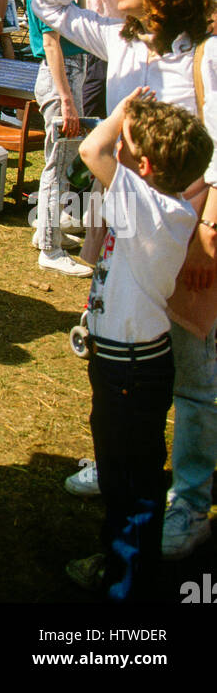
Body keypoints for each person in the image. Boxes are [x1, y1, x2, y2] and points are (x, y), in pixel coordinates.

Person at [32, 0, 217, 557]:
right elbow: (47, 5)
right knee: (120, 337)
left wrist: (206, 239)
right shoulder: (120, 39)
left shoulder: (206, 56)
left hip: (187, 227)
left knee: (195, 368)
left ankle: (189, 502)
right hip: (121, 219)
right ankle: (116, 462)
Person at [66, 91, 213, 600]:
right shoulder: (165, 205)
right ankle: (118, 563)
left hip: (130, 371)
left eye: (127, 150)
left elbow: (90, 150)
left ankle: (126, 584)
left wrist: (121, 113)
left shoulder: (148, 204)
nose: (119, 154)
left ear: (145, 166)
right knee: (125, 471)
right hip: (126, 365)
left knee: (133, 482)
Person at [26, 0, 92, 276]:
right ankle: (49, 246)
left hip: (65, 74)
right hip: (59, 76)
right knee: (57, 163)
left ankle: (46, 232)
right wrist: (66, 99)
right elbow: (51, 41)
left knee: (61, 159)